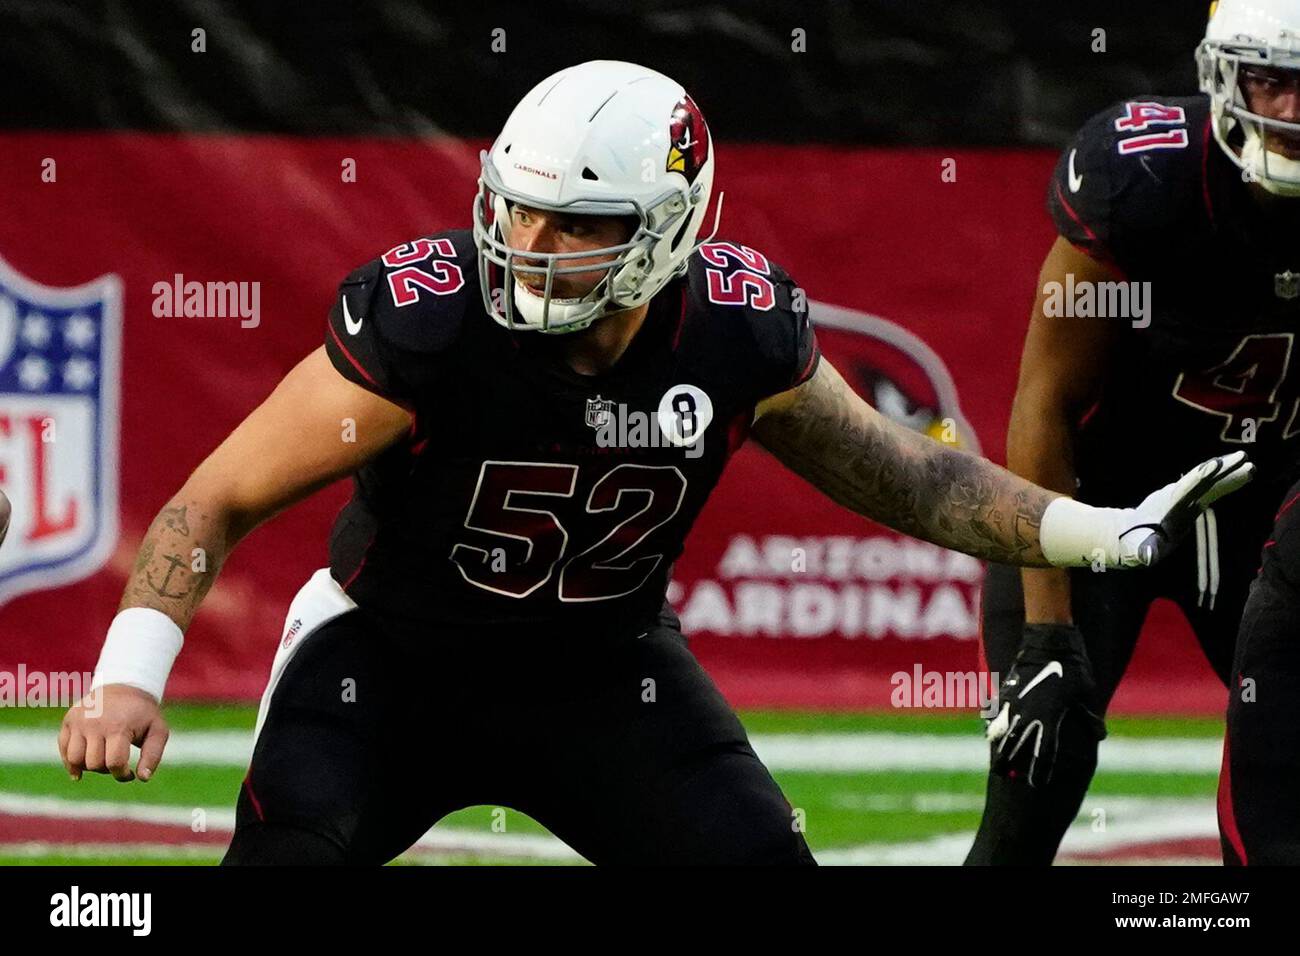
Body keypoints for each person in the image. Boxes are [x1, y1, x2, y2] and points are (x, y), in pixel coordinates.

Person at [59, 60, 1250, 866]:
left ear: (674, 224)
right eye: (519, 210)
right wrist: (129, 670)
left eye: (580, 223)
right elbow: (211, 499)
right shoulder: (426, 319)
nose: (533, 247)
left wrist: (1103, 531)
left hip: (602, 672)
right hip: (389, 666)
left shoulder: (734, 327)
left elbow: (916, 477)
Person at [967, 0, 1300, 865]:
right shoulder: (1143, 176)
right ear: (1223, 75)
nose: (1292, 113)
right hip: (1102, 503)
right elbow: (1044, 404)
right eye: (1271, 81)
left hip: (1275, 517)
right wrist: (1047, 634)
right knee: (1037, 776)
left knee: (1284, 790)